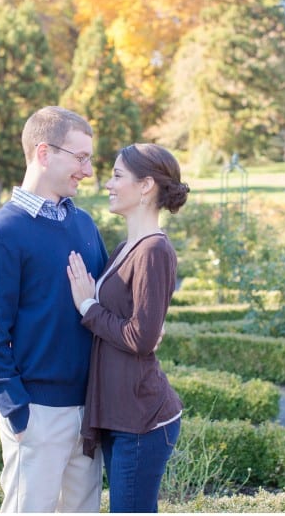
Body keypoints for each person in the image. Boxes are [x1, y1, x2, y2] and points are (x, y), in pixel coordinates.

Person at [0, 106, 109, 513]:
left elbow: (104, 308)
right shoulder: (1, 234)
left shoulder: (84, 225)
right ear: (45, 153)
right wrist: (18, 412)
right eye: (80, 158)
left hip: (89, 413)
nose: (88, 170)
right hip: (37, 415)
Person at [66, 143, 190, 513]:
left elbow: (141, 338)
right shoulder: (127, 246)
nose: (108, 184)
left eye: (118, 176)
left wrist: (87, 306)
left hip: (141, 420)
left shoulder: (154, 250)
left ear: (146, 185)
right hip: (120, 414)